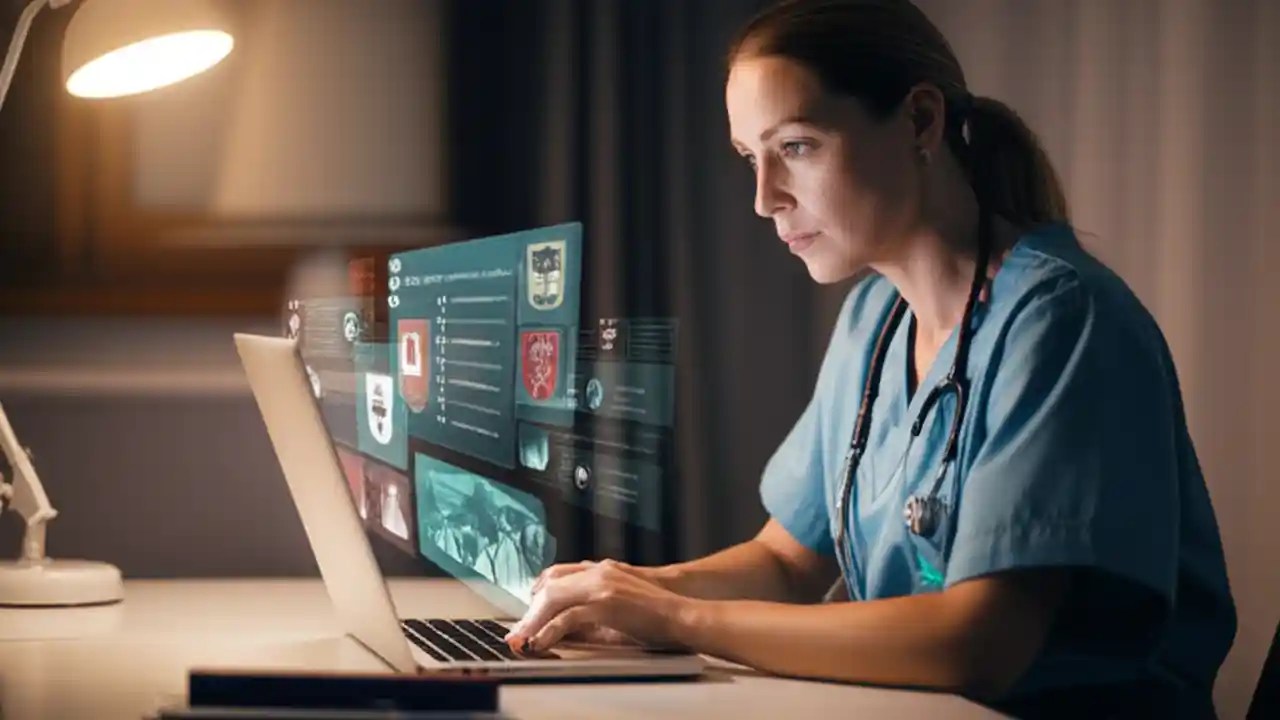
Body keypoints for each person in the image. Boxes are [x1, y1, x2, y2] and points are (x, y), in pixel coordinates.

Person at [503, 0, 1236, 716]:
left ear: (920, 121)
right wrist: (627, 589)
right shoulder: (874, 320)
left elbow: (978, 642)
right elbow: (788, 564)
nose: (764, 199)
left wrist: (678, 621)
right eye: (749, 158)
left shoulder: (1061, 321)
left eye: (795, 148)